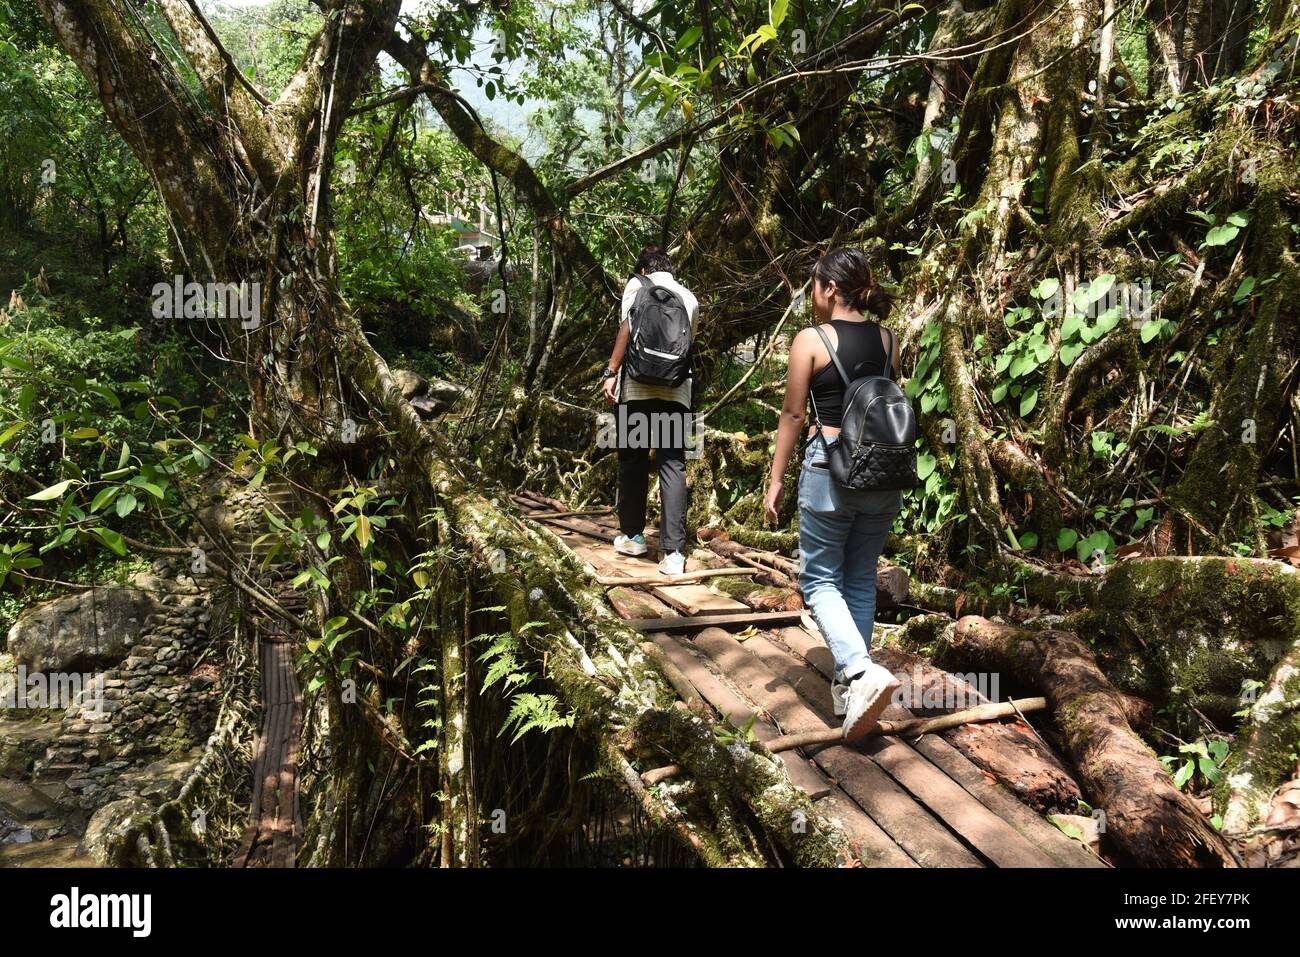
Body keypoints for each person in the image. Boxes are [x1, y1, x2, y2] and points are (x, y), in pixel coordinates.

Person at [762, 247, 903, 740]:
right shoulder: (888, 340)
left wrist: (776, 477)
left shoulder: (810, 340)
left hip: (830, 468)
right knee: (860, 576)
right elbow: (886, 405)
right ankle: (852, 687)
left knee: (819, 580)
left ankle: (861, 673)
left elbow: (794, 417)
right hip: (883, 471)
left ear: (828, 289)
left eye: (813, 287)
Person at [601, 245, 699, 576]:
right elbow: (688, 345)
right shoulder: (688, 297)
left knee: (633, 460)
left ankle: (633, 537)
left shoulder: (636, 287)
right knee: (672, 463)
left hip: (637, 391)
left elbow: (626, 330)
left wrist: (611, 372)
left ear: (643, 270)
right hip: (675, 392)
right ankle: (673, 554)